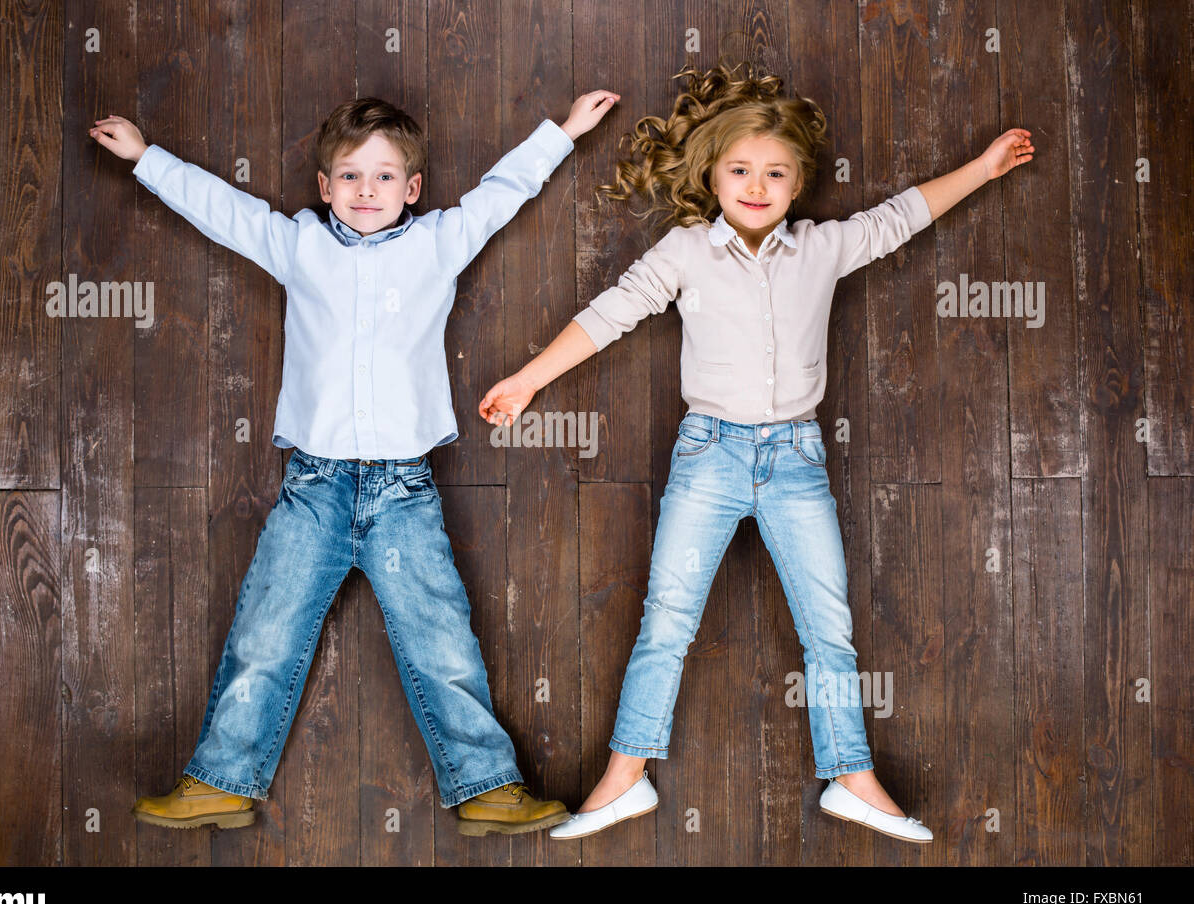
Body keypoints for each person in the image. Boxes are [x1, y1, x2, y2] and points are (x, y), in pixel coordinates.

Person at [479, 61, 1033, 842]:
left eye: (775, 172)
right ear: (713, 173)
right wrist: (528, 381)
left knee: (828, 625)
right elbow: (609, 314)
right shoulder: (684, 252)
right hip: (708, 455)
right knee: (666, 619)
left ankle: (852, 776)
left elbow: (905, 215)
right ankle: (623, 778)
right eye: (740, 168)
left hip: (797, 459)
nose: (756, 183)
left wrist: (981, 167)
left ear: (799, 183)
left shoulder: (824, 248)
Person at [89, 88, 622, 835]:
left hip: (405, 488)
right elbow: (223, 209)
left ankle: (487, 786)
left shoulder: (439, 241)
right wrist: (147, 158)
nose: (364, 191)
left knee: (442, 637)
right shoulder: (299, 245)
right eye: (348, 176)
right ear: (323, 187)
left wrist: (564, 132)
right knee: (265, 631)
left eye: (382, 177)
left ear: (412, 190)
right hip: (315, 485)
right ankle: (220, 779)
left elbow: (505, 192)